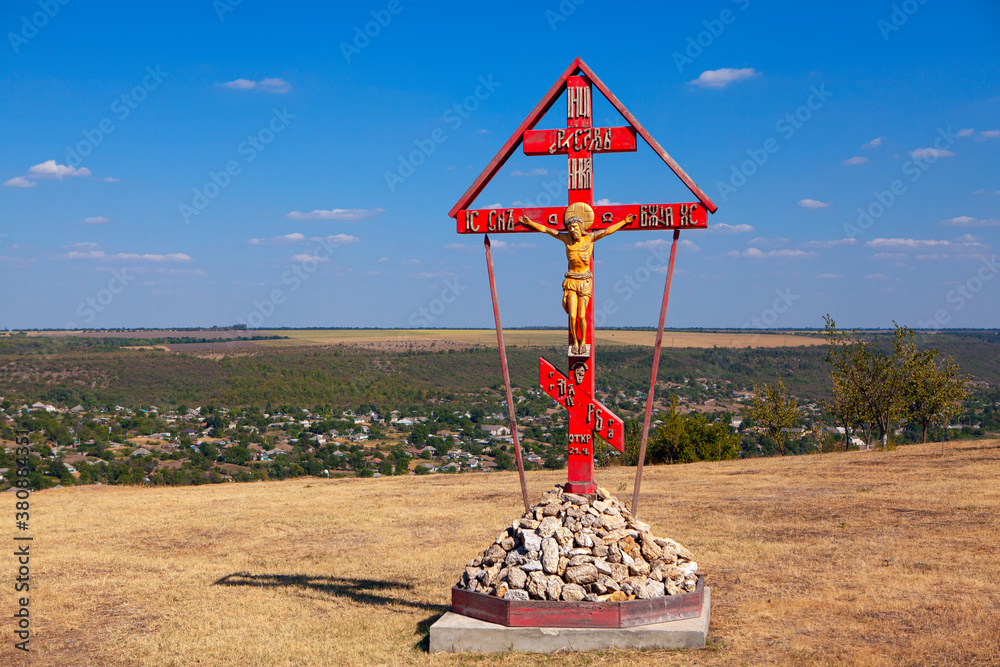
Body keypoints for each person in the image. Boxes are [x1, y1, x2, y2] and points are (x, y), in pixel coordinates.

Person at [518, 203, 635, 355]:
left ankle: (583, 341)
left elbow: (607, 231)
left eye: (575, 227)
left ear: (581, 227)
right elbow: (547, 230)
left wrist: (624, 222)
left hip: (585, 281)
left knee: (581, 316)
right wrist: (530, 223)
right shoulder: (566, 239)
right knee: (572, 316)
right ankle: (575, 341)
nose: (572, 230)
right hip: (571, 281)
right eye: (570, 228)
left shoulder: (590, 238)